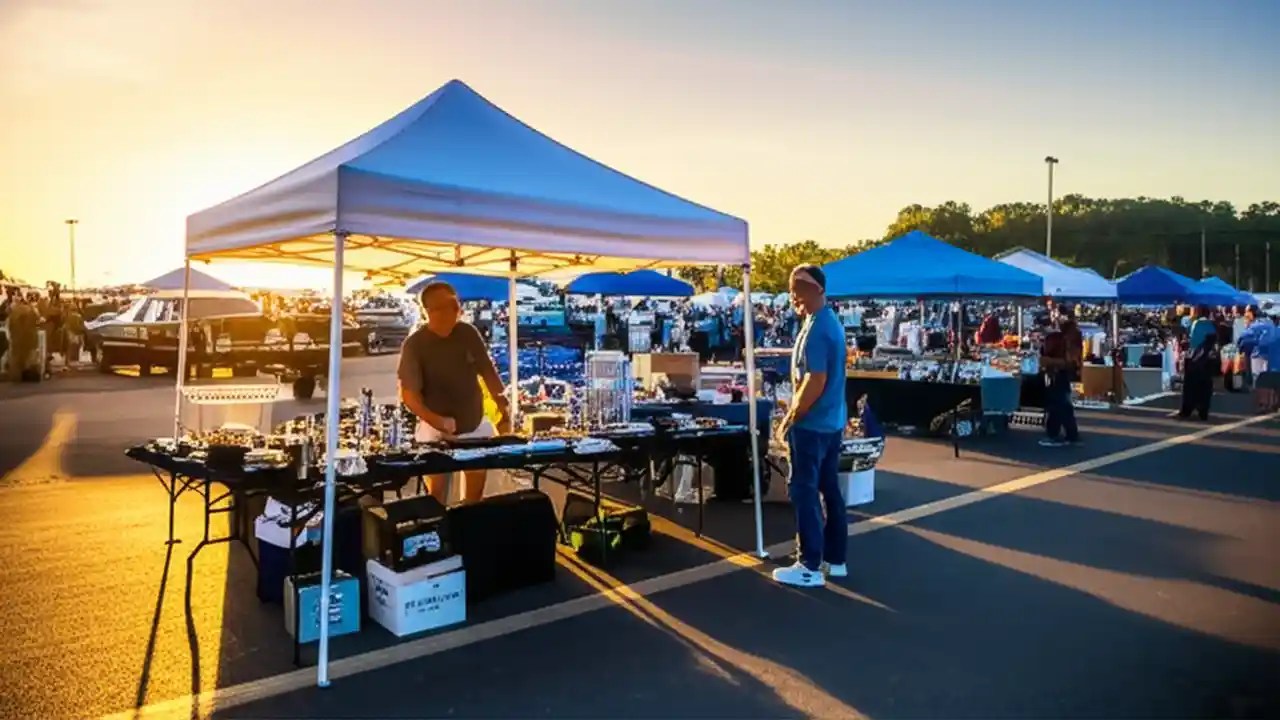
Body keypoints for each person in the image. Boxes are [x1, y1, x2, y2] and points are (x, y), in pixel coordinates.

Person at [398, 281, 511, 504]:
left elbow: (488, 373)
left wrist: (503, 409)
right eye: (446, 307)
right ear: (428, 311)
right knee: (437, 497)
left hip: (474, 423)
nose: (453, 311)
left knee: (474, 500)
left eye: (455, 305)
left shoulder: (468, 332)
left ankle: (465, 531)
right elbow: (409, 396)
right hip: (434, 427)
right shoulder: (415, 344)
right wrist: (438, 421)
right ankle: (441, 534)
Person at [773, 264, 848, 588]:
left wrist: (791, 418)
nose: (794, 295)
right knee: (829, 490)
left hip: (814, 424)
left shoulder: (819, 328)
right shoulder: (825, 323)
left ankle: (809, 564)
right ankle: (835, 558)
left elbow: (815, 380)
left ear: (817, 289)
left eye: (800, 288)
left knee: (804, 490)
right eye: (792, 289)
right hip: (831, 422)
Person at [1038, 325, 1080, 447]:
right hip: (1062, 375)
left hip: (1057, 375)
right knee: (1064, 406)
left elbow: (1047, 358)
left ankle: (1054, 435)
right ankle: (1071, 435)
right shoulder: (1068, 342)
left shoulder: (1057, 340)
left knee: (1057, 405)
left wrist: (1046, 362)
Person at [1237, 306, 1280, 412]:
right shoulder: (1275, 329)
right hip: (1274, 360)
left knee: (1261, 381)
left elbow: (1243, 340)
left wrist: (1243, 349)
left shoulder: (1258, 326)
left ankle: (1263, 404)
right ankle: (1274, 403)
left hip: (1259, 357)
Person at [1179, 306, 1217, 421]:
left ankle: (1187, 409)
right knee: (1205, 385)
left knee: (1191, 385)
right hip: (1207, 359)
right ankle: (1203, 409)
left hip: (1195, 357)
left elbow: (1192, 341)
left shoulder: (1195, 324)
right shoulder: (1211, 325)